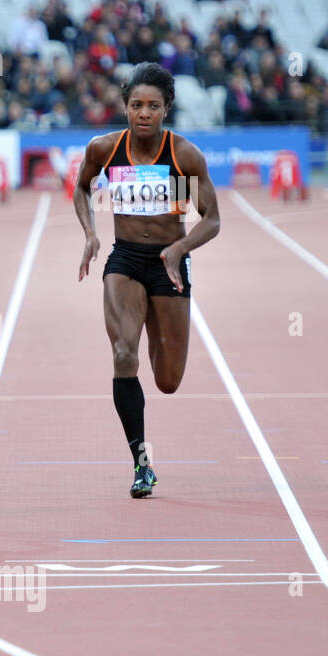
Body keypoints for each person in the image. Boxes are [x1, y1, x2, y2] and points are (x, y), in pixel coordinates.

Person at [73, 62, 221, 498]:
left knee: (168, 381)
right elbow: (82, 189)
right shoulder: (104, 150)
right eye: (136, 105)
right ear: (124, 108)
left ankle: (156, 324)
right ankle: (141, 464)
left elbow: (212, 219)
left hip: (168, 265)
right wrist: (90, 234)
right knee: (123, 353)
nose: (144, 114)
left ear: (166, 110)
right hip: (125, 260)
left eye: (153, 106)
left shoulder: (183, 156)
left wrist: (179, 247)